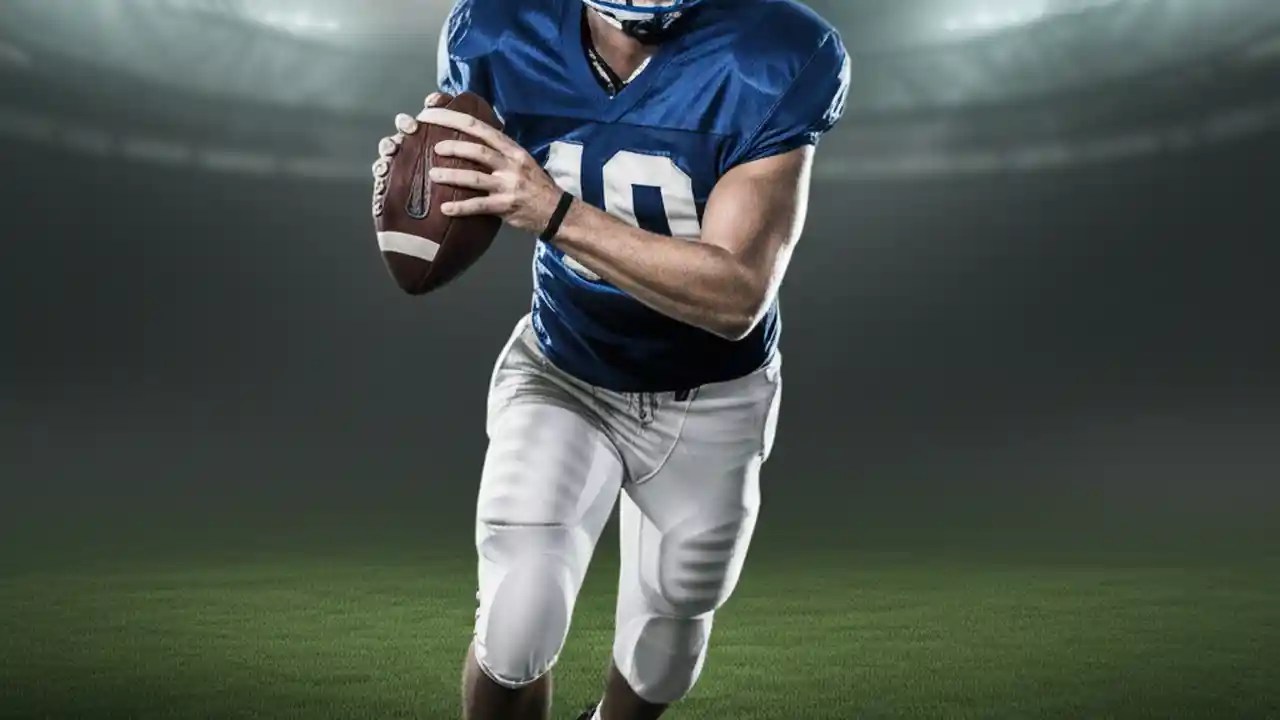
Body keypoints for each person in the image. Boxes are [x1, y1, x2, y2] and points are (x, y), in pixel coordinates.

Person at [372, 0, 849, 717]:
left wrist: (554, 211)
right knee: (515, 623)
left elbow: (735, 296)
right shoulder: (497, 27)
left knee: (666, 647)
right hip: (567, 366)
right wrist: (422, 183)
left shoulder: (775, 50)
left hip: (712, 394)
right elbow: (463, 192)